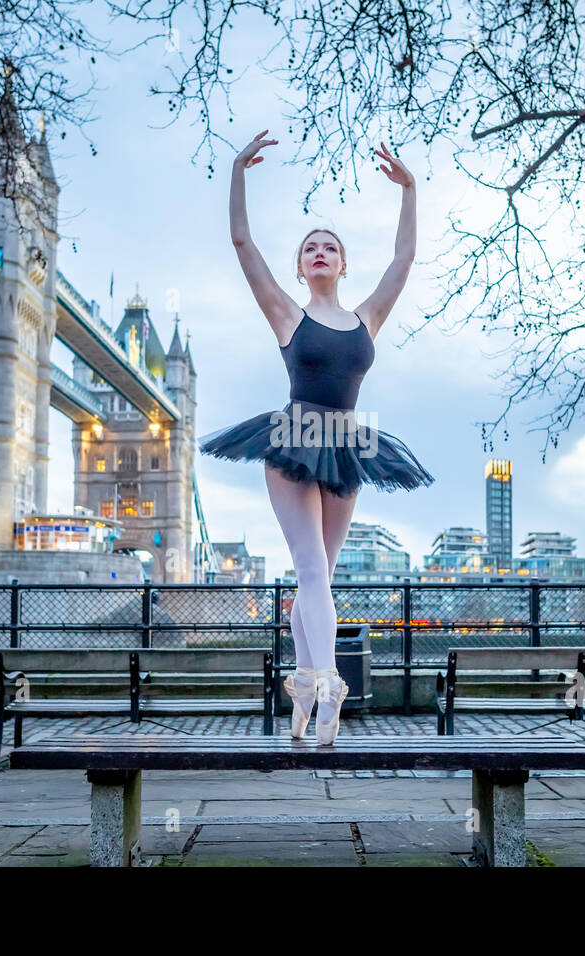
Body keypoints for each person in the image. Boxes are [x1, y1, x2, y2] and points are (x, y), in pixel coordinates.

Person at [198, 130, 434, 745]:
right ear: (301, 265)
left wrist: (410, 190)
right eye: (311, 247)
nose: (320, 251)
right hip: (293, 440)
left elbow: (404, 260)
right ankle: (328, 687)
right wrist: (237, 172)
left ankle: (303, 692)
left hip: (350, 447)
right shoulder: (286, 313)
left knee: (318, 577)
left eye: (330, 246)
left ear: (343, 263)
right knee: (310, 570)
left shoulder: (367, 318)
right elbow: (241, 242)